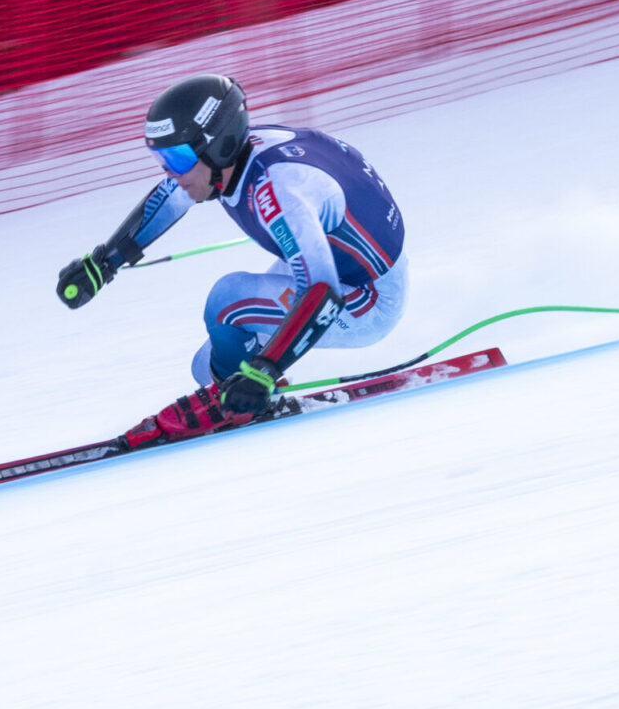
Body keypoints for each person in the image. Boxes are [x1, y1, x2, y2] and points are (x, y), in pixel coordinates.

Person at [56, 74, 409, 447]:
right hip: (337, 268)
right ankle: (236, 393)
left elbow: (323, 291)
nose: (170, 171)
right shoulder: (231, 160)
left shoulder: (277, 191)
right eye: (161, 159)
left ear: (217, 146)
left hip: (367, 297)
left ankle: (234, 407)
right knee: (205, 365)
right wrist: (104, 263)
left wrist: (263, 371)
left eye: (177, 158)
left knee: (227, 302)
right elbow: (171, 196)